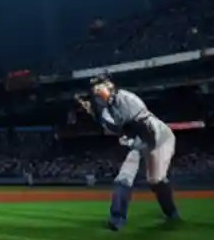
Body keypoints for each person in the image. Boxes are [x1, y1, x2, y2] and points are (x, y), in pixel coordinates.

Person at [76, 75, 180, 231]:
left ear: (110, 86)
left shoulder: (127, 99)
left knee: (155, 180)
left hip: (158, 138)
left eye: (99, 88)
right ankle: (117, 219)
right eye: (94, 90)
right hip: (137, 142)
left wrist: (99, 115)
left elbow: (134, 129)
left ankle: (171, 212)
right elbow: (115, 128)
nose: (96, 93)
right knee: (123, 179)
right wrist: (96, 114)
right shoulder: (106, 108)